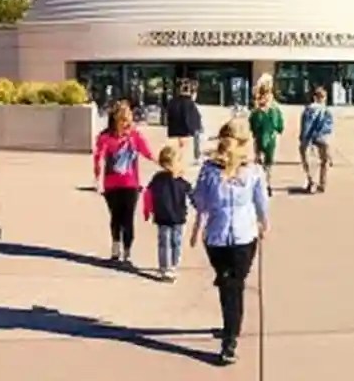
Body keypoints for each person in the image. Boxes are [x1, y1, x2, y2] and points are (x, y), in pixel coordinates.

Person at [190, 119, 270, 365]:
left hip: (216, 236)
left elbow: (200, 202)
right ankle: (230, 338)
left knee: (230, 284)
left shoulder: (209, 170)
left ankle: (230, 325)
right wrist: (264, 222)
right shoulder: (254, 171)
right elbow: (261, 201)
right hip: (244, 236)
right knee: (235, 285)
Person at [93, 102, 156, 264]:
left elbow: (148, 153)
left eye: (129, 120)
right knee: (115, 217)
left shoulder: (135, 136)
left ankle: (127, 251)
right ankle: (116, 245)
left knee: (128, 218)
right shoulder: (105, 137)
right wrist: (97, 179)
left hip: (131, 184)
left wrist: (164, 163)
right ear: (115, 120)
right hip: (111, 184)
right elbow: (98, 158)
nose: (127, 124)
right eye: (123, 120)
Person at [143, 146, 192, 281]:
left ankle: (171, 266)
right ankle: (166, 267)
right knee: (168, 242)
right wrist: (147, 211)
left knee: (172, 242)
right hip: (167, 217)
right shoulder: (159, 178)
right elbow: (148, 194)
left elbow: (193, 196)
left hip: (174, 217)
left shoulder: (181, 182)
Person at [248, 84, 284, 196]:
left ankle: (267, 184)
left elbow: (280, 126)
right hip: (259, 139)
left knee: (268, 163)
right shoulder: (256, 112)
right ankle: (260, 184)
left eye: (268, 95)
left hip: (270, 140)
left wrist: (276, 130)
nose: (266, 98)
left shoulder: (274, 111)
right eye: (263, 96)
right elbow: (252, 126)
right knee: (259, 163)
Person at [298, 86, 335, 193]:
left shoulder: (308, 110)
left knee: (308, 159)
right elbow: (329, 127)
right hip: (323, 137)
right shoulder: (327, 111)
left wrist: (303, 138)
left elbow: (305, 125)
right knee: (325, 161)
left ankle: (312, 181)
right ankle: (323, 183)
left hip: (309, 137)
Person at [166, 79, 203, 163]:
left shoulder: (172, 102)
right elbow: (190, 118)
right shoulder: (189, 103)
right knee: (182, 156)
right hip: (185, 132)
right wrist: (192, 130)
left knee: (175, 155)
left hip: (173, 132)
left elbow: (168, 116)